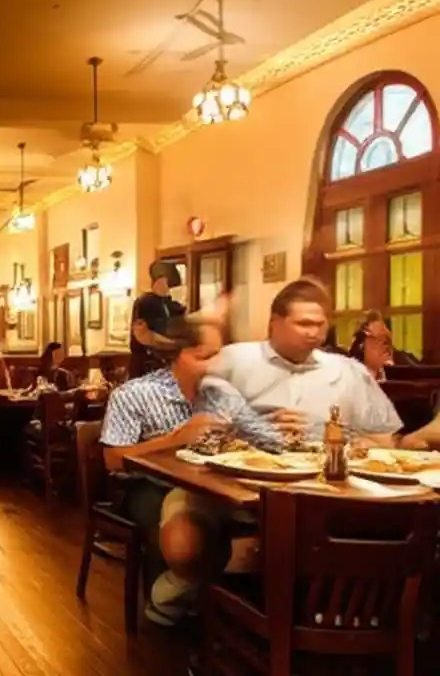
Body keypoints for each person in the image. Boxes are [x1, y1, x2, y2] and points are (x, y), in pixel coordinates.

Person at [101, 314, 280, 626]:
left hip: (216, 486)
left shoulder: (222, 393)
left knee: (274, 520)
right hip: (146, 487)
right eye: (204, 356)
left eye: (219, 354)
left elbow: (266, 440)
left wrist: (278, 428)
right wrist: (173, 440)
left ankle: (231, 609)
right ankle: (178, 597)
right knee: (186, 536)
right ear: (178, 355)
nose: (216, 365)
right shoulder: (133, 394)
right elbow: (112, 459)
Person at [210, 280, 402, 445]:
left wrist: (331, 436)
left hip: (327, 479)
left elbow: (385, 443)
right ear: (275, 322)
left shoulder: (350, 373)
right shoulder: (233, 362)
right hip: (242, 475)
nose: (314, 333)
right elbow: (194, 431)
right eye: (304, 324)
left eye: (320, 324)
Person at [128, 261, 187, 378]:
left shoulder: (173, 305)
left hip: (169, 367)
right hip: (147, 369)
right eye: (171, 284)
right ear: (162, 280)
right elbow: (147, 337)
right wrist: (177, 345)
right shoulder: (145, 303)